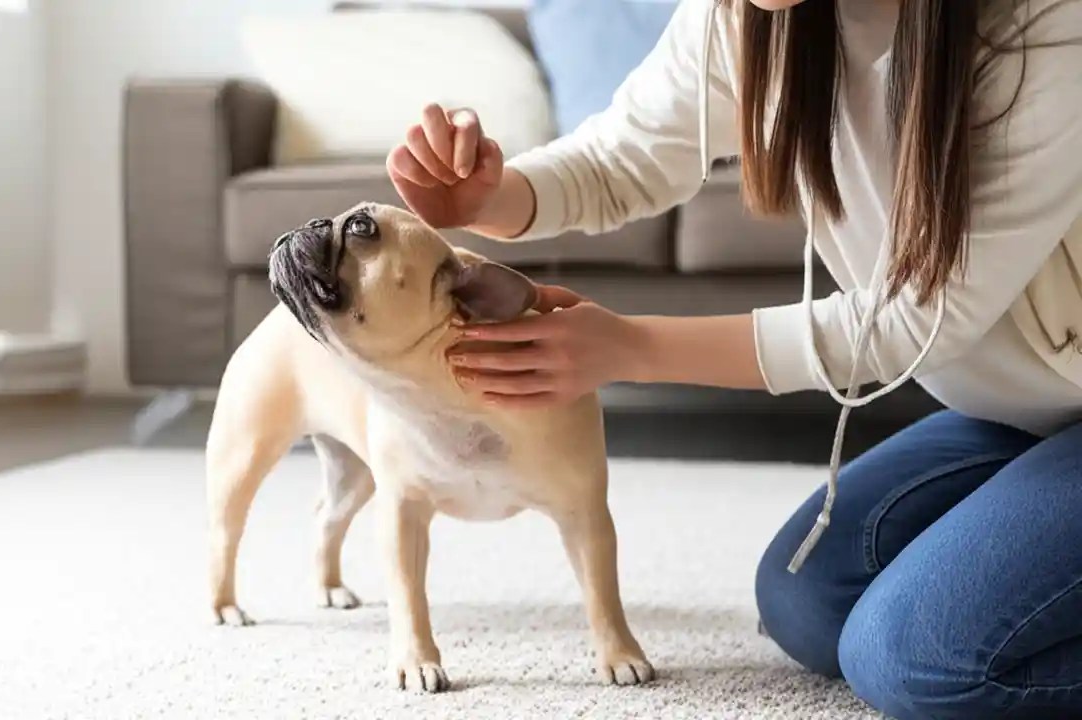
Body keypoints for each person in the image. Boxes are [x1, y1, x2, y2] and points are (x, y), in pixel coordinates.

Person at [385, 0, 1082, 717]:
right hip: (1025, 416)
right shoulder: (751, 16)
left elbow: (918, 317)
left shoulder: (1045, 20)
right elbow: (624, 156)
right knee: (805, 600)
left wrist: (633, 347)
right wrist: (492, 198)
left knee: (918, 660)